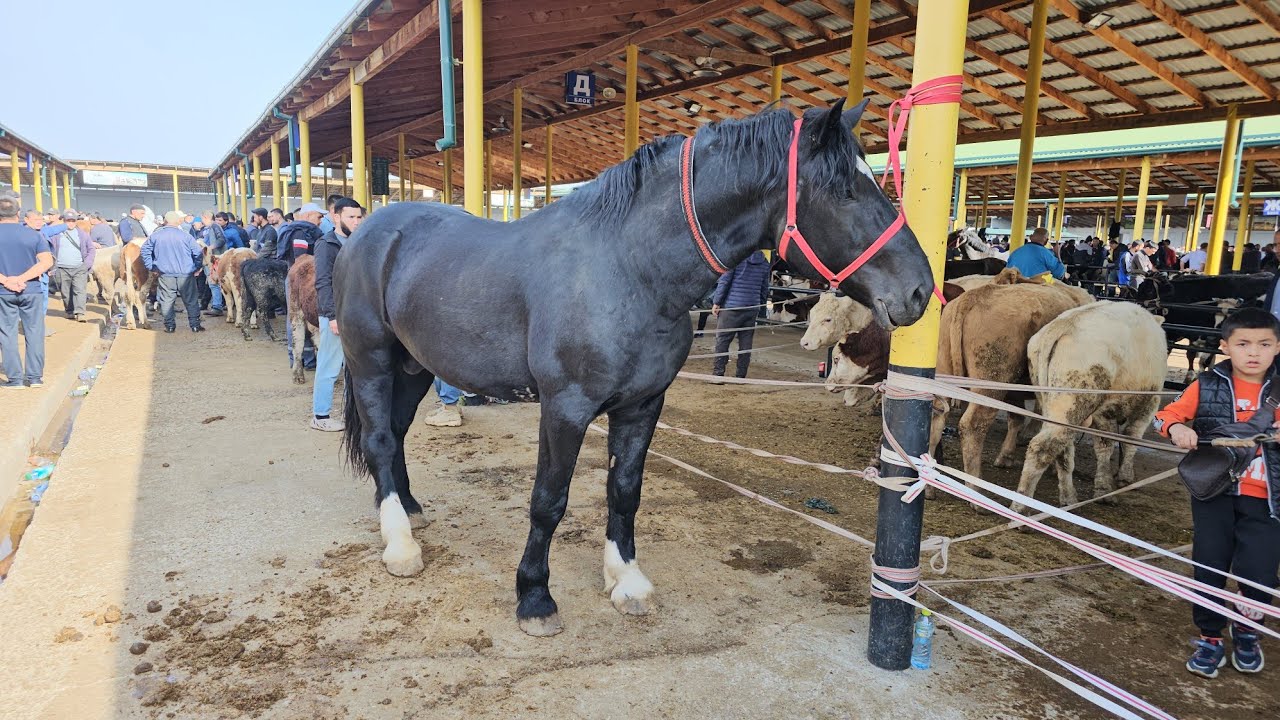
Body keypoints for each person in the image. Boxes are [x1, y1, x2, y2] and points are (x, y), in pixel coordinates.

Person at [1154, 307, 1280, 678]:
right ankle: (1209, 635)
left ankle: (1247, 628)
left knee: (1259, 571)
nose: (1253, 352)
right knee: (1209, 565)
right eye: (1243, 344)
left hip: (1269, 501)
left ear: (1277, 347)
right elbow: (1164, 415)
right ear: (1225, 346)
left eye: (1264, 344)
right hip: (1214, 494)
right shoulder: (1206, 384)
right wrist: (1176, 430)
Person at [310, 198, 363, 431]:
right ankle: (320, 417)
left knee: (356, 366)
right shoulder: (326, 244)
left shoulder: (360, 242)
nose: (356, 221)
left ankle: (356, 414)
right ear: (336, 217)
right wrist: (332, 316)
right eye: (351, 217)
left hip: (357, 313)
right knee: (329, 366)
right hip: (336, 314)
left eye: (359, 217)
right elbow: (322, 282)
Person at [0, 196, 54, 388]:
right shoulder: (33, 235)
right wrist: (22, 279)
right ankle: (35, 378)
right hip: (31, 290)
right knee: (34, 333)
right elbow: (47, 262)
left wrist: (6, 280)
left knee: (7, 334)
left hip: (3, 292)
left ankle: (15, 379)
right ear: (18, 213)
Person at [710, 250, 770, 379]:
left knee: (722, 340)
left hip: (731, 307)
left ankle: (718, 373)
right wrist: (760, 304)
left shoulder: (735, 258)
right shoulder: (764, 262)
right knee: (746, 343)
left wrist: (716, 302)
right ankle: (741, 375)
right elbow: (765, 287)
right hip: (752, 307)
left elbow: (725, 281)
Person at [141, 211, 204, 333]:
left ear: (165, 221)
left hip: (165, 274)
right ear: (178, 221)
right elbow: (198, 253)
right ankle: (195, 325)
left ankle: (170, 326)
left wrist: (152, 267)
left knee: (166, 300)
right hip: (186, 273)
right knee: (191, 300)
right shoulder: (186, 236)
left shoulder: (156, 236)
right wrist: (196, 267)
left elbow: (144, 251)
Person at [50, 211, 95, 322]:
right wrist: (52, 266)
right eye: (68, 221)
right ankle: (69, 311)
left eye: (73, 221)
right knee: (65, 292)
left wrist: (87, 264)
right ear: (63, 221)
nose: (70, 223)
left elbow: (91, 249)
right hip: (61, 268)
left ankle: (80, 313)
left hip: (79, 267)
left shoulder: (83, 235)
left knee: (80, 290)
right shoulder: (56, 235)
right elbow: (49, 249)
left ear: (76, 222)